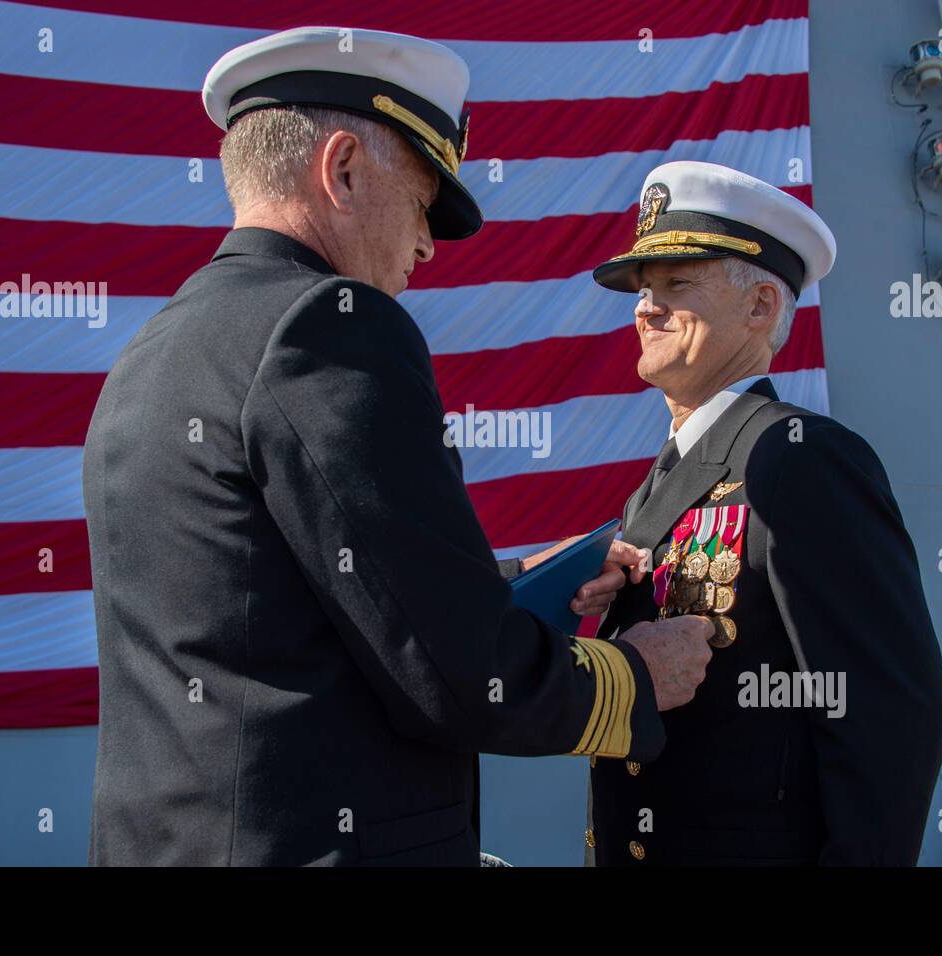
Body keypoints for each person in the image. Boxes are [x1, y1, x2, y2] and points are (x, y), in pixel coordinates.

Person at [82, 27, 713, 866]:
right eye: (422, 205)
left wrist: (521, 582)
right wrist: (631, 681)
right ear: (342, 168)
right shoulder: (330, 328)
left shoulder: (156, 349)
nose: (424, 245)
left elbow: (283, 606)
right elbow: (455, 674)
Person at [584, 161, 942, 866]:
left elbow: (886, 711)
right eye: (643, 288)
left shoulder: (798, 457)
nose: (645, 307)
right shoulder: (663, 480)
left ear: (760, 309)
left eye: (676, 283)